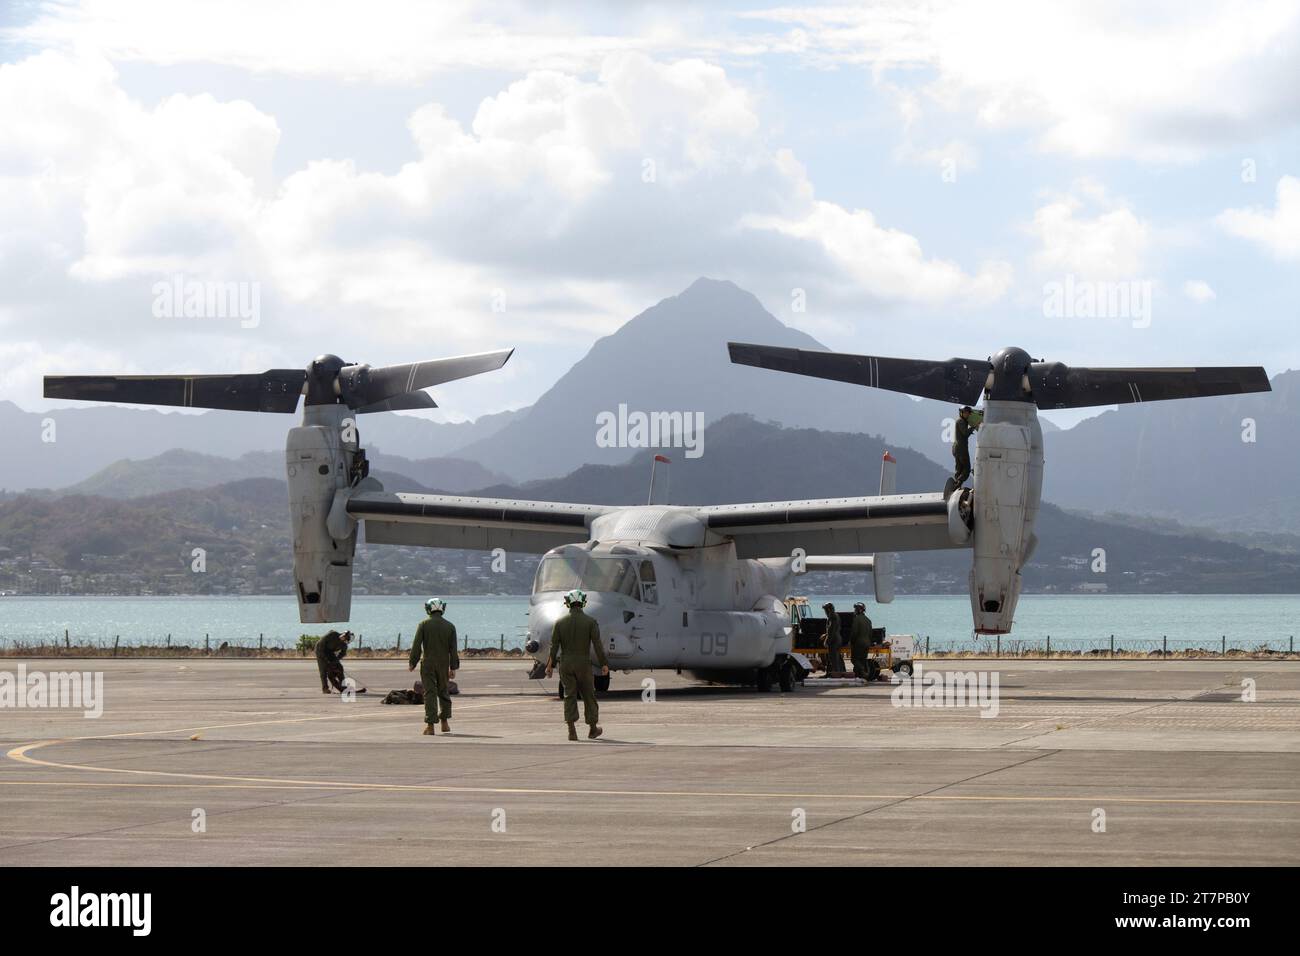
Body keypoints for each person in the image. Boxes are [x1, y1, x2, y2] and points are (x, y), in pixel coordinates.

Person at [545, 589, 609, 740]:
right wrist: (603, 664)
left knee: (569, 695)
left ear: (568, 603)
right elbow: (598, 645)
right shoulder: (590, 622)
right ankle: (593, 729)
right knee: (588, 695)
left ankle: (571, 731)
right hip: (583, 664)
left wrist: (550, 666)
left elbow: (553, 647)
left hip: (566, 663)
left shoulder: (559, 623)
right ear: (583, 602)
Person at [408, 598, 459, 735]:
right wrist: (453, 667)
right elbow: (453, 649)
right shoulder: (450, 626)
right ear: (442, 608)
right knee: (444, 691)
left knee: (430, 693)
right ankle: (445, 723)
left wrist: (413, 662)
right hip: (444, 663)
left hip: (428, 663)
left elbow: (417, 645)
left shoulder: (423, 624)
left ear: (429, 608)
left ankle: (430, 726)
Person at [315, 629, 364, 694]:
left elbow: (343, 653)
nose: (343, 638)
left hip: (330, 652)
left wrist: (336, 660)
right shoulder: (333, 634)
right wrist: (326, 659)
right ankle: (325, 688)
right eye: (343, 635)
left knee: (339, 668)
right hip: (320, 649)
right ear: (343, 633)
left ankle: (344, 687)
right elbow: (321, 644)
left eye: (345, 639)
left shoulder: (344, 645)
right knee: (323, 670)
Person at [951, 405, 980, 489]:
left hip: (957, 449)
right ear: (962, 413)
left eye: (968, 413)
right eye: (965, 413)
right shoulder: (961, 422)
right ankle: (958, 483)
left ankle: (956, 485)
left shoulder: (961, 421)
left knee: (959, 469)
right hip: (961, 449)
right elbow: (965, 433)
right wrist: (974, 427)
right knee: (966, 469)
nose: (967, 414)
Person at [849, 602, 874, 681]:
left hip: (858, 643)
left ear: (858, 610)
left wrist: (851, 642)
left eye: (855, 609)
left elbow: (854, 633)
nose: (854, 610)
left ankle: (862, 671)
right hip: (867, 643)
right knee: (863, 659)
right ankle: (861, 676)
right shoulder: (868, 620)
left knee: (854, 659)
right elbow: (870, 633)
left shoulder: (856, 619)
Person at [822, 602, 846, 675]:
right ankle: (841, 672)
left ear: (828, 610)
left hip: (834, 640)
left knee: (834, 659)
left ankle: (837, 674)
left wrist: (827, 641)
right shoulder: (836, 615)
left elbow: (832, 630)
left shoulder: (832, 616)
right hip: (837, 639)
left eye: (825, 610)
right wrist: (826, 635)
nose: (825, 612)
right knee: (838, 658)